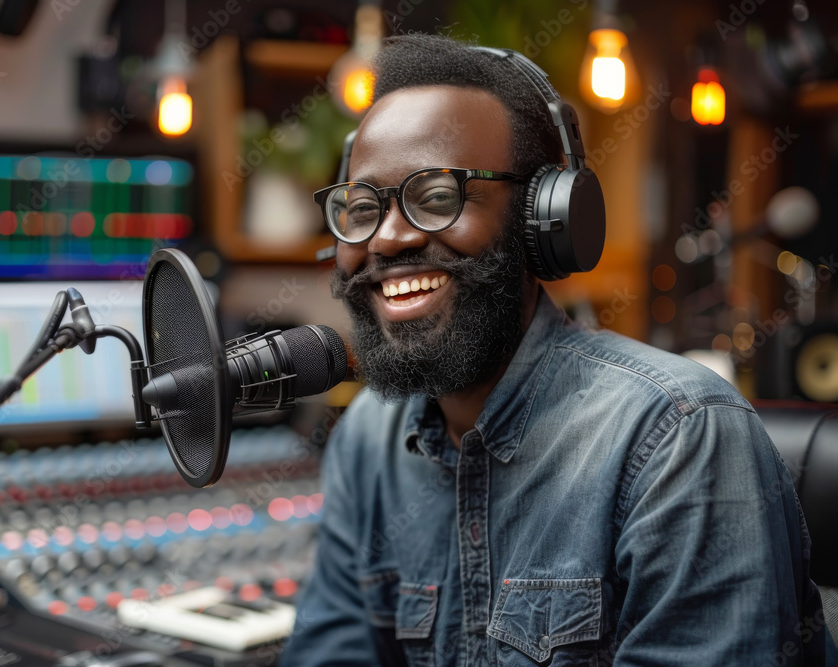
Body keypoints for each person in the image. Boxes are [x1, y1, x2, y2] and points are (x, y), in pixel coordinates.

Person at [279, 33, 832, 666]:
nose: (387, 239)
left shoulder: (681, 438)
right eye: (362, 207)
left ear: (545, 221)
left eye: (436, 197)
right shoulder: (367, 442)